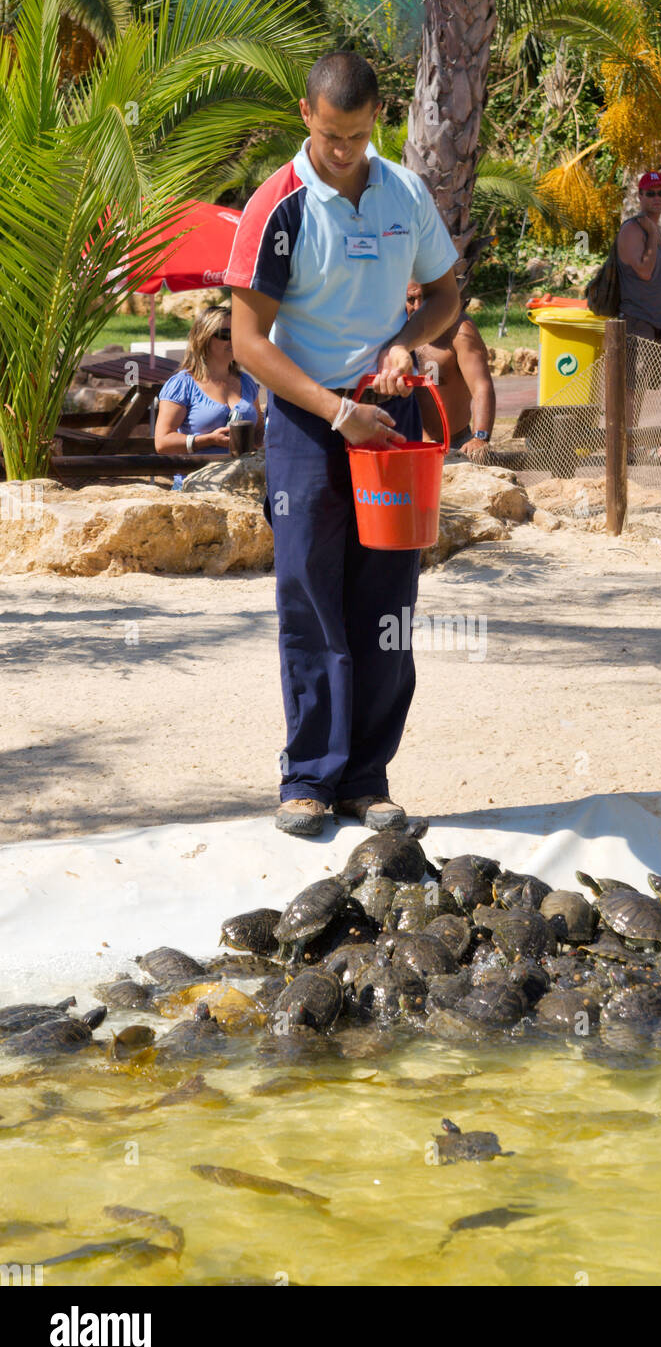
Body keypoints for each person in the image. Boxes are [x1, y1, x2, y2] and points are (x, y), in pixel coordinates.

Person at [227, 52, 459, 837]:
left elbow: (447, 297)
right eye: (331, 137)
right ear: (306, 117)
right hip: (307, 422)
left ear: (375, 124)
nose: (344, 152)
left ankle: (368, 778)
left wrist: (405, 344)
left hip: (391, 425)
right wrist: (334, 411)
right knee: (310, 595)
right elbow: (249, 341)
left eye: (357, 138)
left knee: (388, 602)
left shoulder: (404, 192)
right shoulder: (277, 206)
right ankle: (309, 780)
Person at [155, 304, 264, 454]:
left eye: (237, 334)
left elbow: (258, 430)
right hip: (198, 475)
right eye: (225, 335)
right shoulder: (182, 384)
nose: (233, 340)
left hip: (241, 475)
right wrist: (208, 440)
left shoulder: (246, 382)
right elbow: (162, 442)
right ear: (204, 338)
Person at [406, 282, 496, 462]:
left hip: (455, 446)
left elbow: (481, 387)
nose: (417, 307)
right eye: (410, 299)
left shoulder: (460, 331)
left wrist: (480, 437)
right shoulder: (392, 330)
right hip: (406, 444)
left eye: (423, 299)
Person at [615, 171, 661, 439]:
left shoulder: (652, 228)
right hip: (637, 320)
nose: (657, 198)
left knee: (641, 387)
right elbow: (644, 271)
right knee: (631, 386)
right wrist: (651, 234)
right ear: (639, 196)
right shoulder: (633, 229)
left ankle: (631, 439)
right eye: (650, 193)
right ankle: (626, 444)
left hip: (654, 322)